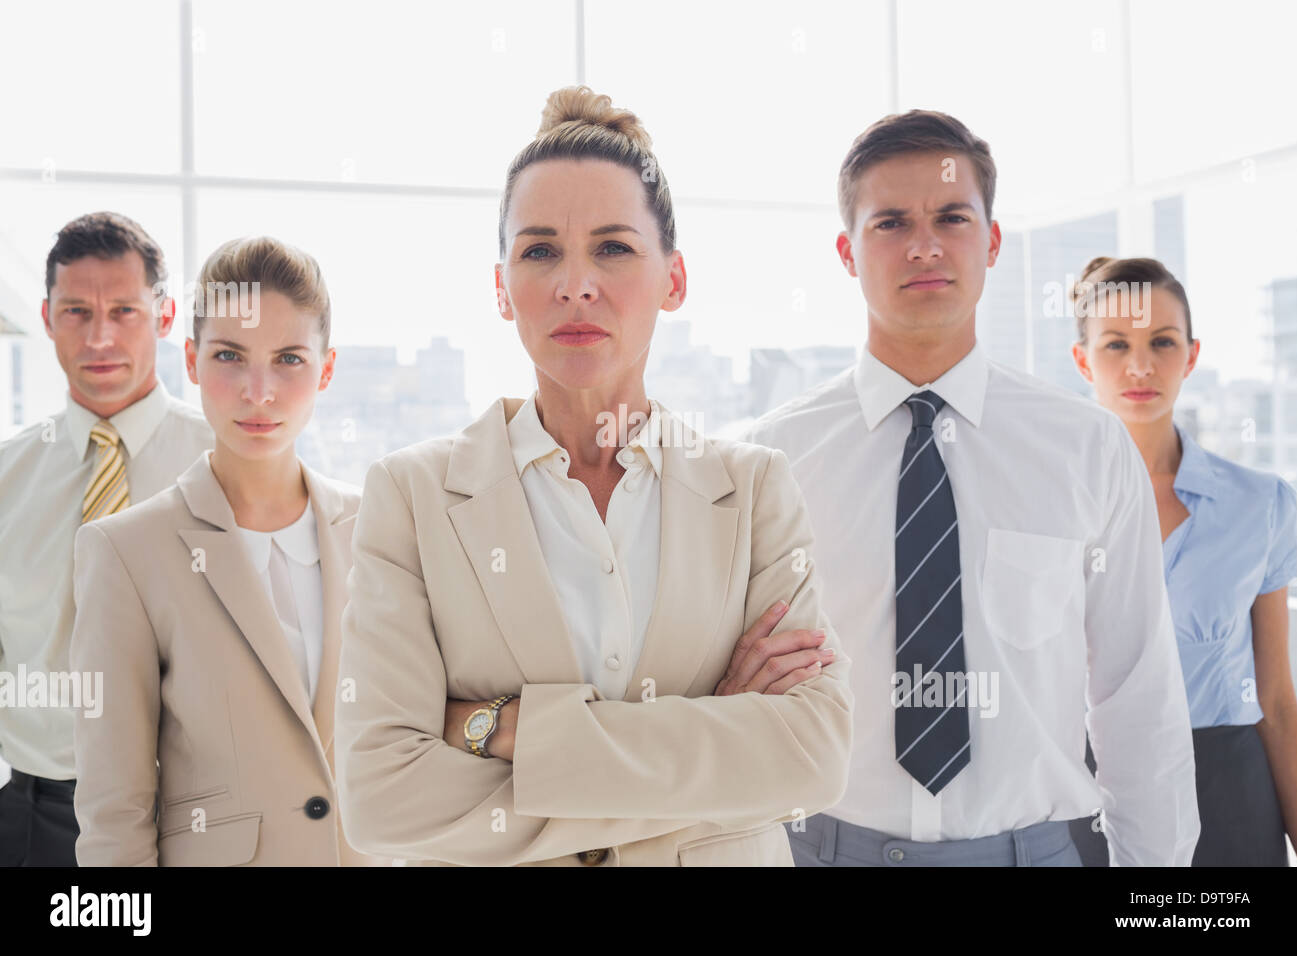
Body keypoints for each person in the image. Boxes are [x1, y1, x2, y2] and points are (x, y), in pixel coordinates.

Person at [335, 86, 853, 867]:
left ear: (673, 279)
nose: (576, 283)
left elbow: (814, 755)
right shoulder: (412, 498)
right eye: (540, 250)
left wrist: (497, 729)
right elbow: (381, 799)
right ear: (501, 287)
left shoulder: (753, 492)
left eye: (613, 247)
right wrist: (710, 743)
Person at [742, 110, 1199, 866]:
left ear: (990, 242)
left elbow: (1135, 695)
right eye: (890, 222)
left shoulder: (1086, 449)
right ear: (846, 254)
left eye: (952, 217)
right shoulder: (772, 458)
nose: (924, 244)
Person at [69, 236, 387, 866]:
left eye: (290, 359)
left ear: (326, 369)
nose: (258, 390)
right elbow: (115, 809)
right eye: (230, 356)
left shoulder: (379, 529)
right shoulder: (126, 552)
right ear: (190, 361)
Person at [1067, 255, 1297, 866]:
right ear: (1083, 360)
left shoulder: (1261, 504)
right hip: (1084, 794)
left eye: (1161, 342)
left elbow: (1276, 700)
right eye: (1116, 344)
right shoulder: (1044, 506)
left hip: (1229, 795)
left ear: (1191, 355)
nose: (1140, 366)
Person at [0, 212, 213, 866]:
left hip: (192, 809)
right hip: (36, 812)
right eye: (75, 312)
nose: (99, 336)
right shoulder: (7, 476)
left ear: (166, 315)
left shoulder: (226, 466)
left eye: (124, 310)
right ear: (45, 317)